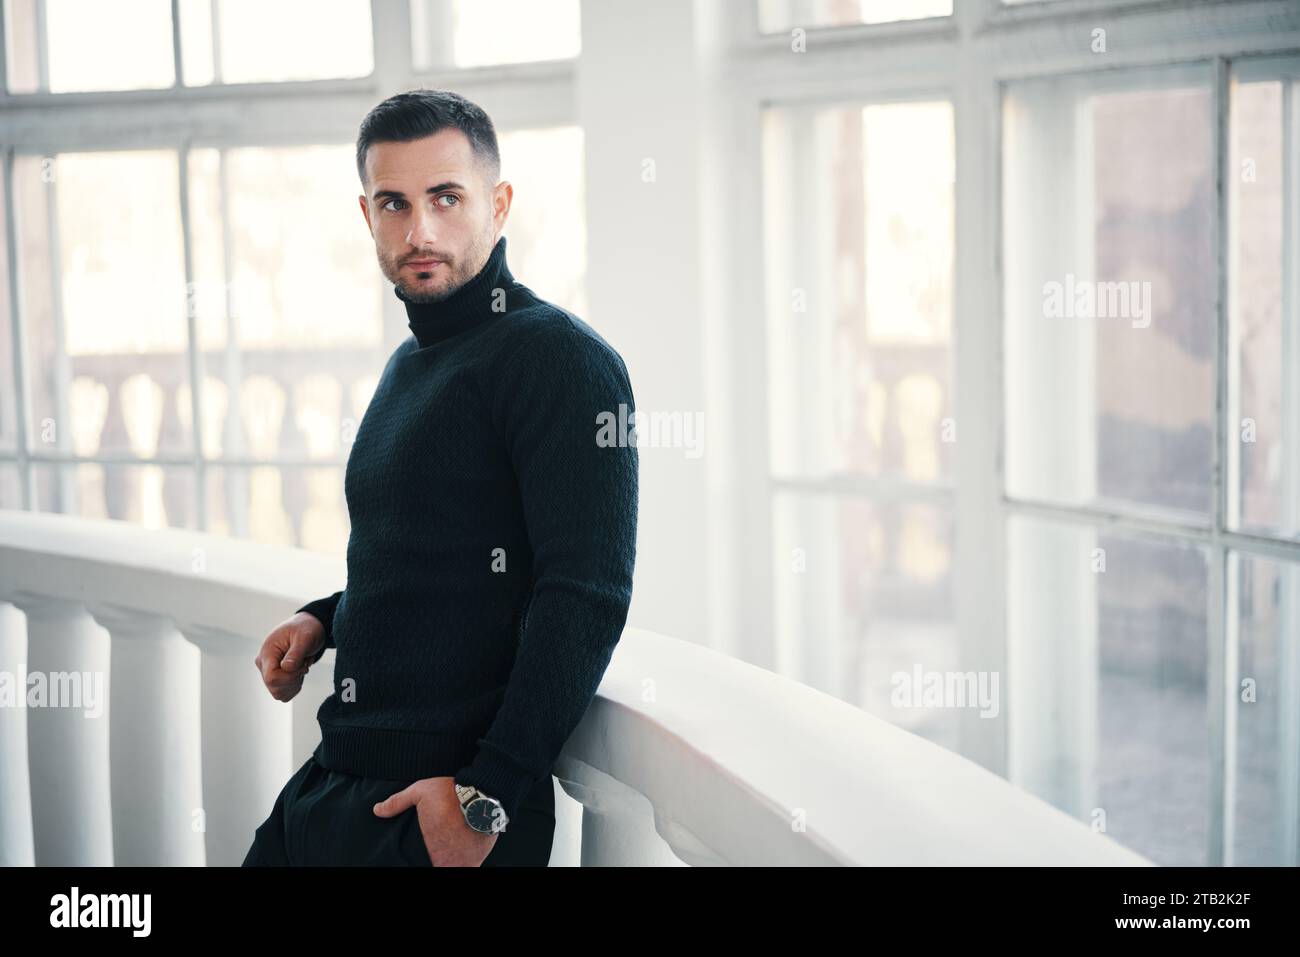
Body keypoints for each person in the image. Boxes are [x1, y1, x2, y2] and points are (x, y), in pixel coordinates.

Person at [241, 88, 639, 867]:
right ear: (367, 217)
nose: (418, 230)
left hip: (444, 809)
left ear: (499, 203)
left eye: (446, 198)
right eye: (394, 203)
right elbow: (432, 549)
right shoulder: (411, 363)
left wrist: (488, 795)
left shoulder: (561, 359)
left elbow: (586, 591)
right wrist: (327, 617)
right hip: (334, 781)